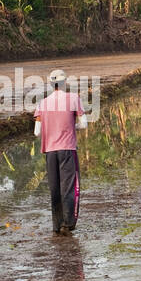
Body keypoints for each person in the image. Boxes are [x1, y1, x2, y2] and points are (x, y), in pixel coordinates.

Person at [33, 69, 85, 236]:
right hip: (67, 149)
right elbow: (84, 124)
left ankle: (57, 224)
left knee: (54, 188)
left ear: (51, 84)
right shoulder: (73, 98)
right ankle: (68, 223)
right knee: (69, 187)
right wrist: (73, 126)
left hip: (50, 151)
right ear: (64, 83)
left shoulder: (42, 103)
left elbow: (36, 132)